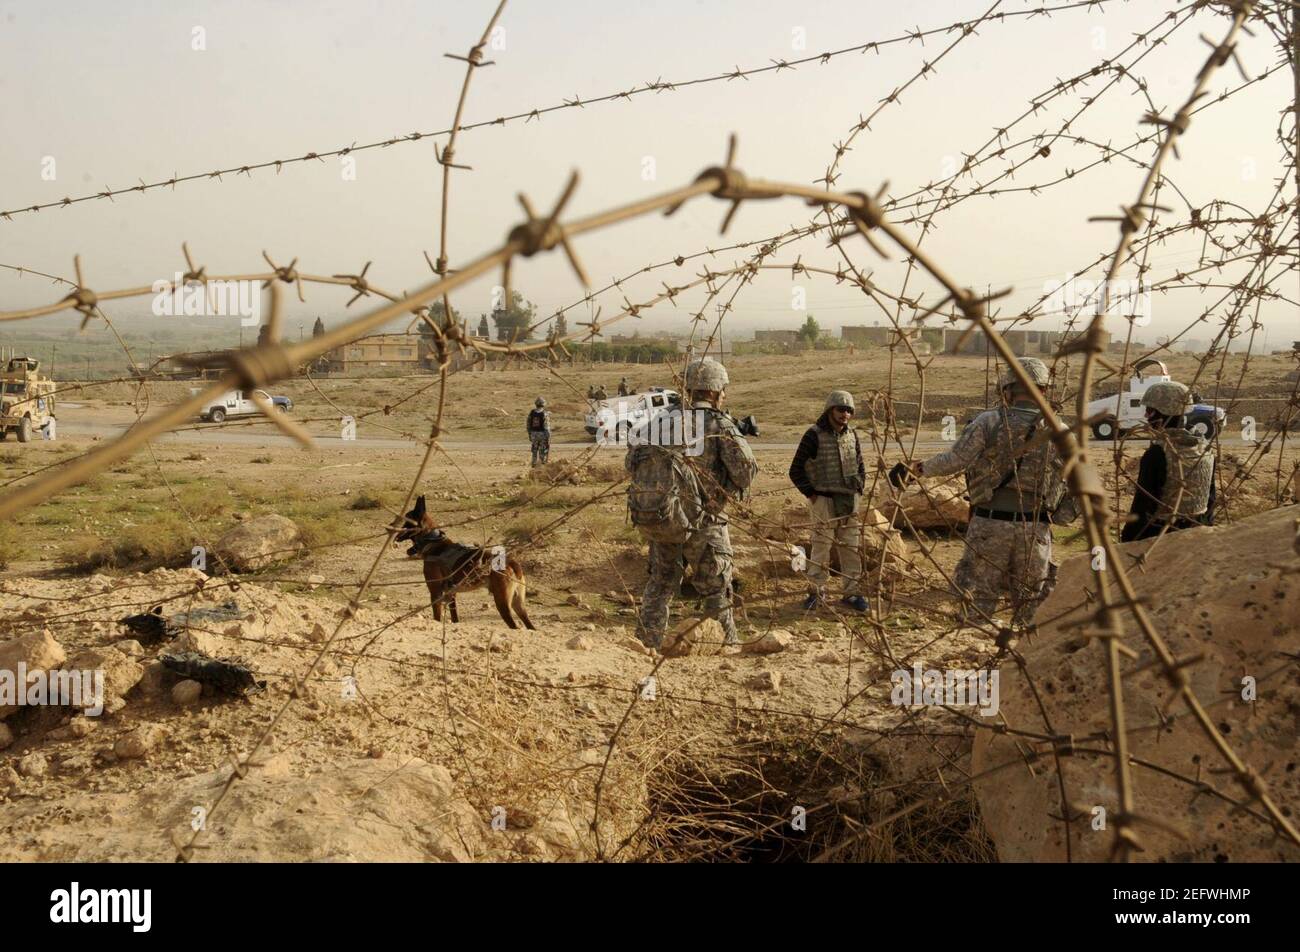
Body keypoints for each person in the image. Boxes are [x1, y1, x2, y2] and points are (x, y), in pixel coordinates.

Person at [904, 357, 1067, 629]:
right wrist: (1056, 517)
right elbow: (1076, 482)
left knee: (978, 603)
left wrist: (919, 469)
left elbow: (956, 460)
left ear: (1008, 389)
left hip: (989, 524)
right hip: (1035, 528)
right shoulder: (1060, 430)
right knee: (1031, 607)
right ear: (1043, 389)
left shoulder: (989, 421)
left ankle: (974, 665)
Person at [629, 357, 757, 651]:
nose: (724, 395)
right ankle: (726, 645)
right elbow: (746, 470)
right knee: (715, 587)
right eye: (722, 390)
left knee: (660, 585)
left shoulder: (660, 421)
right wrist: (721, 492)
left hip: (665, 517)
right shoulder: (719, 424)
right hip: (705, 521)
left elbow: (632, 462)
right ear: (712, 392)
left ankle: (645, 645)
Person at [788, 390, 869, 612]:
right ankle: (817, 591)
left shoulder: (852, 435)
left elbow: (860, 465)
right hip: (823, 500)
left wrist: (859, 488)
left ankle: (852, 593)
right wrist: (811, 494)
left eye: (849, 410)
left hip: (849, 501)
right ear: (830, 410)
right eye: (841, 409)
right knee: (821, 548)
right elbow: (795, 469)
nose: (845, 414)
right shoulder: (813, 435)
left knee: (851, 549)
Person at [1121, 381, 1215, 542]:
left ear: (1162, 414)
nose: (1145, 417)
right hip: (1196, 533)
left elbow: (1143, 506)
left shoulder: (1158, 454)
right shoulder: (1204, 448)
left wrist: (1126, 541)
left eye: (1150, 412)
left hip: (1160, 535)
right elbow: (1210, 500)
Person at [527, 397, 551, 467]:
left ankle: (534, 463)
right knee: (542, 450)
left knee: (534, 449)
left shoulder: (532, 412)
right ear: (543, 404)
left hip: (533, 434)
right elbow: (546, 427)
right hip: (542, 434)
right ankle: (541, 464)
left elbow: (528, 424)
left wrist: (529, 434)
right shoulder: (544, 413)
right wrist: (548, 436)